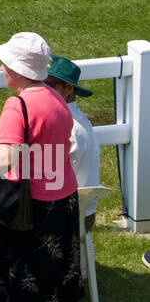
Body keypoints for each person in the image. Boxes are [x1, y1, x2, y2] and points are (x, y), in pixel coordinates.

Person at [0, 32, 82, 302]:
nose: (1, 67)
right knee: (55, 270)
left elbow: (6, 159)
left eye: (5, 62)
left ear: (18, 68)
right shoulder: (57, 99)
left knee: (25, 272)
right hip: (63, 198)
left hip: (29, 203)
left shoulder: (17, 105)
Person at [46, 56, 100, 231]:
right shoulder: (80, 121)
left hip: (65, 217)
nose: (42, 89)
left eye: (49, 84)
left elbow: (47, 182)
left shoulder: (63, 126)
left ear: (69, 89)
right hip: (83, 212)